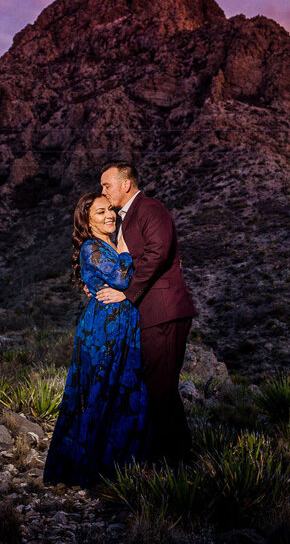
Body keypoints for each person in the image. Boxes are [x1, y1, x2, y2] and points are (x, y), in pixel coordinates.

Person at [43, 192, 147, 487]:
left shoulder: (108, 244)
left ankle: (114, 466)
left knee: (119, 394)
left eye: (110, 210)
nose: (109, 216)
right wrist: (126, 252)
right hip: (104, 330)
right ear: (88, 222)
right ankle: (85, 469)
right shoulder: (92, 247)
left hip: (122, 326)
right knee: (99, 392)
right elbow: (122, 279)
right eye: (99, 213)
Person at [96, 161, 195, 465]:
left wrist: (127, 293)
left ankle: (174, 461)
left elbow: (157, 252)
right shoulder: (126, 219)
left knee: (160, 387)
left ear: (126, 184)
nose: (102, 191)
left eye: (106, 185)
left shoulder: (150, 209)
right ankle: (171, 458)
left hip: (164, 311)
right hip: (149, 314)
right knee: (155, 385)